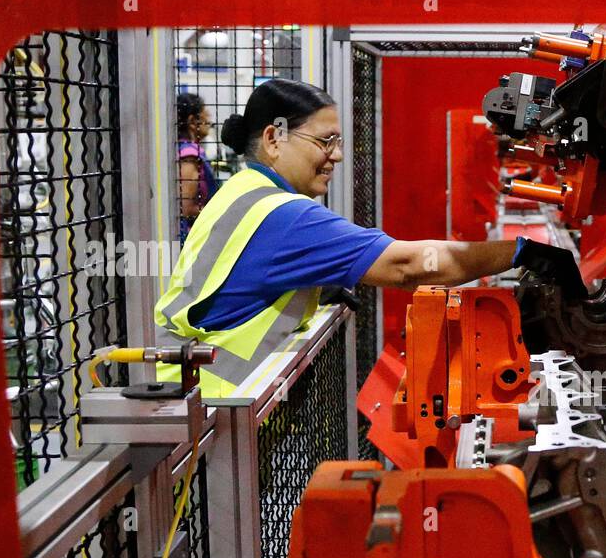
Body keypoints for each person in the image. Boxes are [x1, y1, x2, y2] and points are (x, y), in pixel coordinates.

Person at [154, 79, 574, 397]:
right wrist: (523, 252)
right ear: (273, 139)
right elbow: (408, 265)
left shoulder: (242, 192)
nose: (336, 154)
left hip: (191, 402)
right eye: (324, 141)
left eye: (337, 141)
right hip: (207, 429)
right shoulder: (285, 216)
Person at [176, 92, 217, 241]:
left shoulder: (189, 151)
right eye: (206, 117)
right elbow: (186, 208)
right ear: (193, 122)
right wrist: (221, 210)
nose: (210, 122)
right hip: (189, 237)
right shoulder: (189, 156)